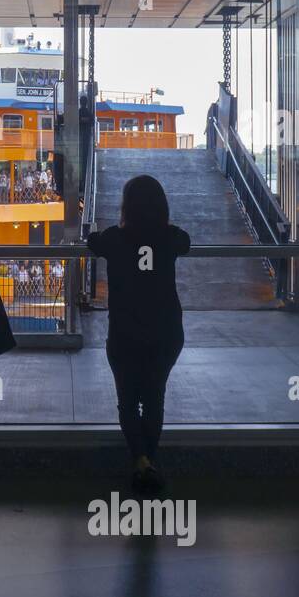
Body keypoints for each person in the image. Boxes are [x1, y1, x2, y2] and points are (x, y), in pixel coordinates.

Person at [86, 175, 191, 493]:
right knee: (155, 400)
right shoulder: (171, 237)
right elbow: (186, 241)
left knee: (128, 403)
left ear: (126, 206)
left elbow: (92, 241)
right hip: (165, 332)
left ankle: (141, 461)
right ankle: (150, 461)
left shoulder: (114, 239)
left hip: (125, 333)